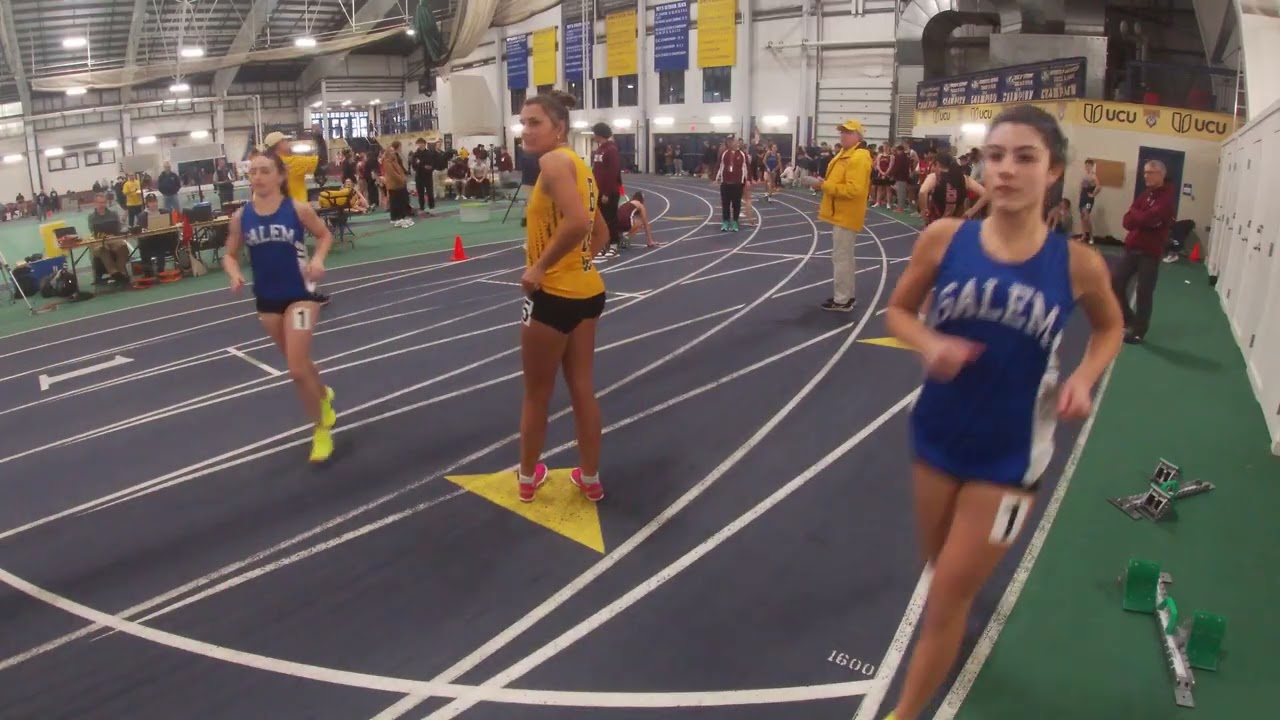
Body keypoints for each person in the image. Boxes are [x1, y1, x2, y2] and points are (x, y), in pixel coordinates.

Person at [879, 104, 1123, 720]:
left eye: (1025, 157)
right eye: (995, 156)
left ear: (1054, 170)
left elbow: (1110, 328)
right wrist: (931, 342)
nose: (1007, 169)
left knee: (946, 598)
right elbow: (898, 311)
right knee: (938, 568)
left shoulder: (1077, 263)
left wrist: (1084, 378)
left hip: (1011, 458)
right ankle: (951, 624)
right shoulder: (945, 239)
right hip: (936, 435)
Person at [515, 89, 611, 504]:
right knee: (582, 388)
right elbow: (601, 232)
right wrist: (576, 264)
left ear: (559, 128)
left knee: (537, 394)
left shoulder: (552, 162)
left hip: (552, 297)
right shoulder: (580, 166)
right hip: (587, 293)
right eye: (523, 122)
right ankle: (589, 478)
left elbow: (577, 223)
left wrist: (541, 268)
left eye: (535, 122)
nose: (525, 130)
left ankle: (526, 478)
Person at [223, 152, 338, 464]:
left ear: (280, 176)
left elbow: (324, 235)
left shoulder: (297, 209)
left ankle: (321, 430)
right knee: (299, 362)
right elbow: (230, 254)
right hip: (267, 300)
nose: (258, 177)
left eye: (264, 171)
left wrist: (318, 259)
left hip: (300, 295)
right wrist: (234, 273)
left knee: (296, 369)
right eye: (253, 172)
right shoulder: (241, 217)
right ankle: (323, 395)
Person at [800, 118, 872, 312]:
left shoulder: (858, 157)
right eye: (842, 132)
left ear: (857, 136)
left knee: (841, 258)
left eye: (847, 132)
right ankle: (847, 296)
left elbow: (854, 190)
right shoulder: (846, 153)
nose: (842, 135)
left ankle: (842, 300)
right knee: (844, 258)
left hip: (846, 214)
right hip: (841, 213)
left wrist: (823, 185)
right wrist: (822, 182)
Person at [1110, 159, 1176, 345]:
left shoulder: (1166, 199)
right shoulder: (1146, 195)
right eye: (1145, 172)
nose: (1145, 176)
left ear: (1161, 175)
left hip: (1150, 252)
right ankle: (1129, 319)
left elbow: (1151, 219)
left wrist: (1138, 216)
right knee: (1115, 282)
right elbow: (1127, 220)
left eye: (1150, 173)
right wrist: (1140, 217)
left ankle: (1139, 331)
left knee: (1144, 291)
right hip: (1132, 248)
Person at [917, 153, 984, 226]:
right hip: (956, 224)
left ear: (937, 164)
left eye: (933, 165)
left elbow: (922, 191)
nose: (932, 168)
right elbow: (986, 194)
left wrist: (923, 210)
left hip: (937, 224)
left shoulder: (935, 177)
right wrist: (971, 211)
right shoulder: (963, 178)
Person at [713, 137, 748, 232]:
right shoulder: (724, 154)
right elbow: (719, 165)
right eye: (730, 142)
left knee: (736, 204)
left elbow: (745, 167)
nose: (735, 143)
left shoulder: (742, 154)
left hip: (737, 183)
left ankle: (735, 221)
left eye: (734, 142)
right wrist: (715, 178)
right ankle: (725, 221)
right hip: (725, 182)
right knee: (725, 204)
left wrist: (748, 180)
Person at [1079, 158, 1100, 244]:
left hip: (1088, 199)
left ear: (1092, 166)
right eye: (1086, 166)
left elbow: (1099, 187)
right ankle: (1084, 236)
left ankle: (1091, 237)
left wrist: (1093, 194)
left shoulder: (1093, 176)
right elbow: (1081, 186)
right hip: (1083, 197)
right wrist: (1080, 192)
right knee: (1082, 216)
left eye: (1088, 166)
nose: (1087, 167)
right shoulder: (1084, 176)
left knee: (1086, 215)